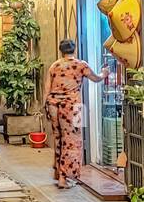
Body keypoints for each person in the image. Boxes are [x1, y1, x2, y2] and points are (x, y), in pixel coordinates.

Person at [43, 40, 108, 189]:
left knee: (58, 138)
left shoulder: (54, 66)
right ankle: (64, 178)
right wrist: (104, 74)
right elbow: (96, 78)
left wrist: (44, 106)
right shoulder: (80, 65)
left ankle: (58, 172)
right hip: (74, 106)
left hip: (53, 104)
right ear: (75, 49)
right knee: (73, 141)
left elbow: (47, 88)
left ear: (61, 50)